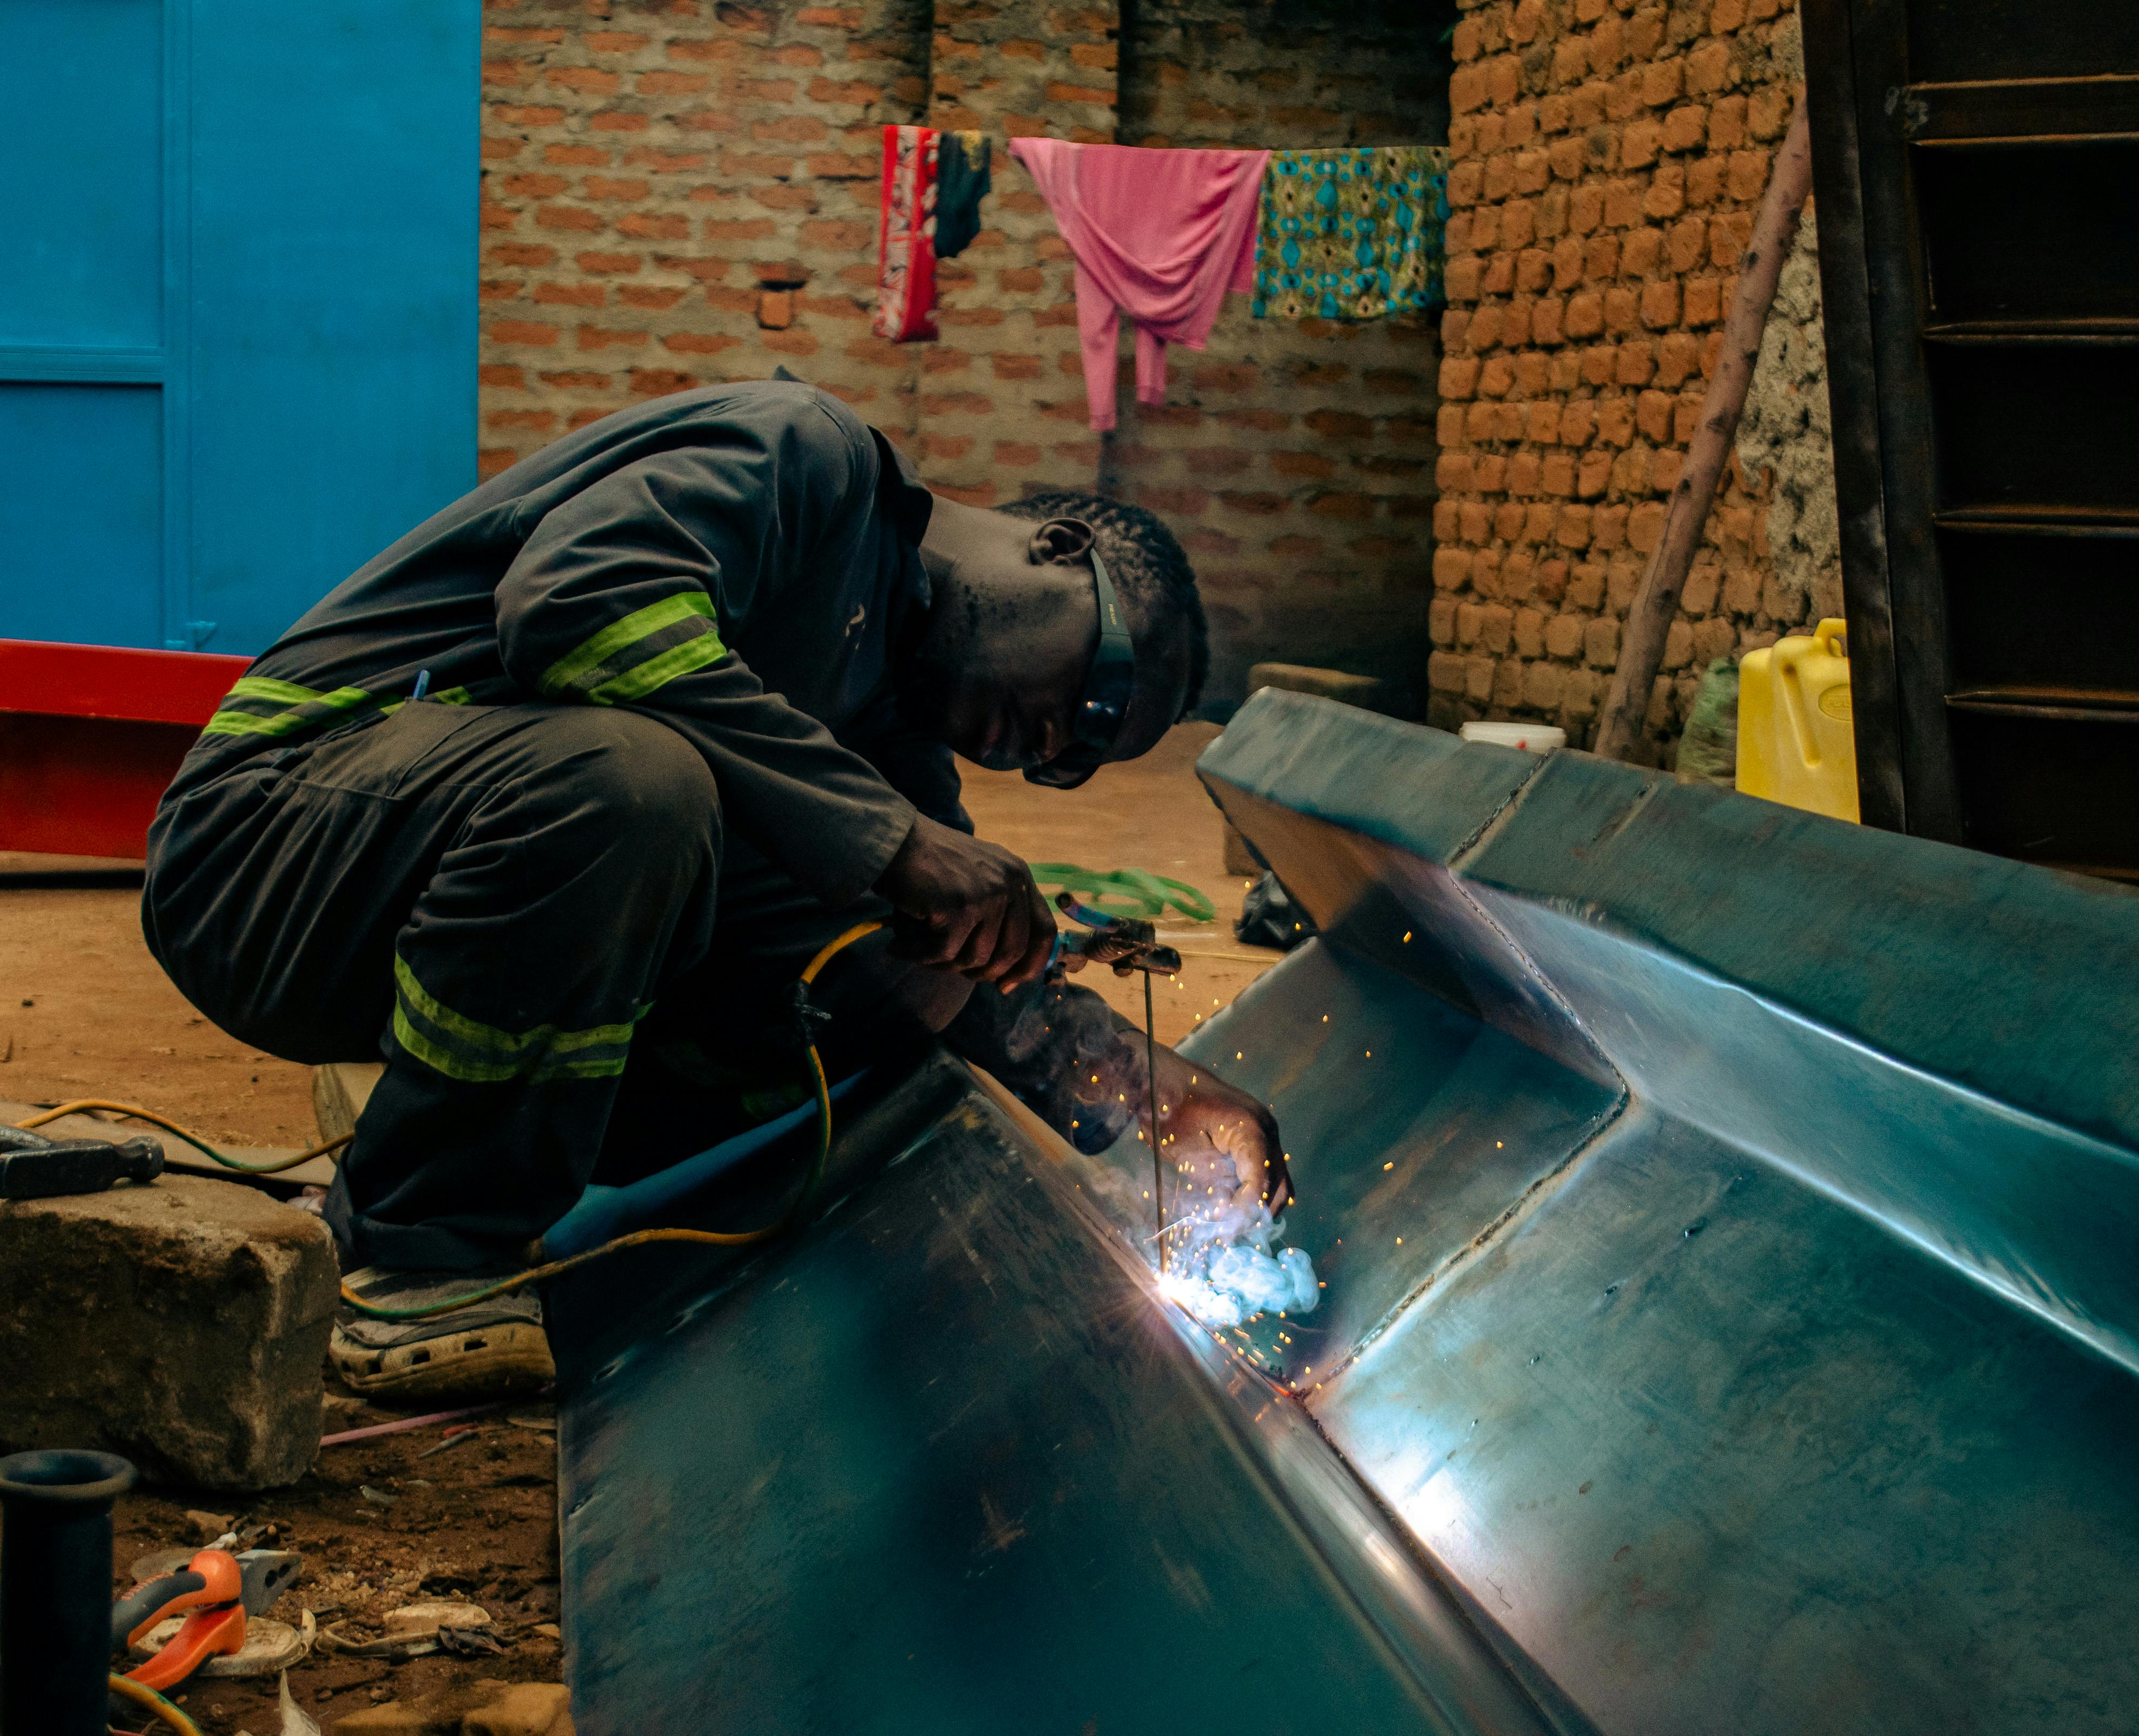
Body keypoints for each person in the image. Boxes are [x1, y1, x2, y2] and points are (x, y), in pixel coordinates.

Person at [140, 374, 1287, 1400]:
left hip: (399, 897)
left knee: (880, 963)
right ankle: (420, 1255)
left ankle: (438, 1122)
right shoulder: (805, 458)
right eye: (1088, 703)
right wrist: (892, 840)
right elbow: (571, 608)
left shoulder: (881, 716)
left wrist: (1156, 1096)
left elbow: (946, 970)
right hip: (267, 834)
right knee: (634, 782)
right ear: (1058, 547)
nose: (1044, 749)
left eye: (1072, 762)